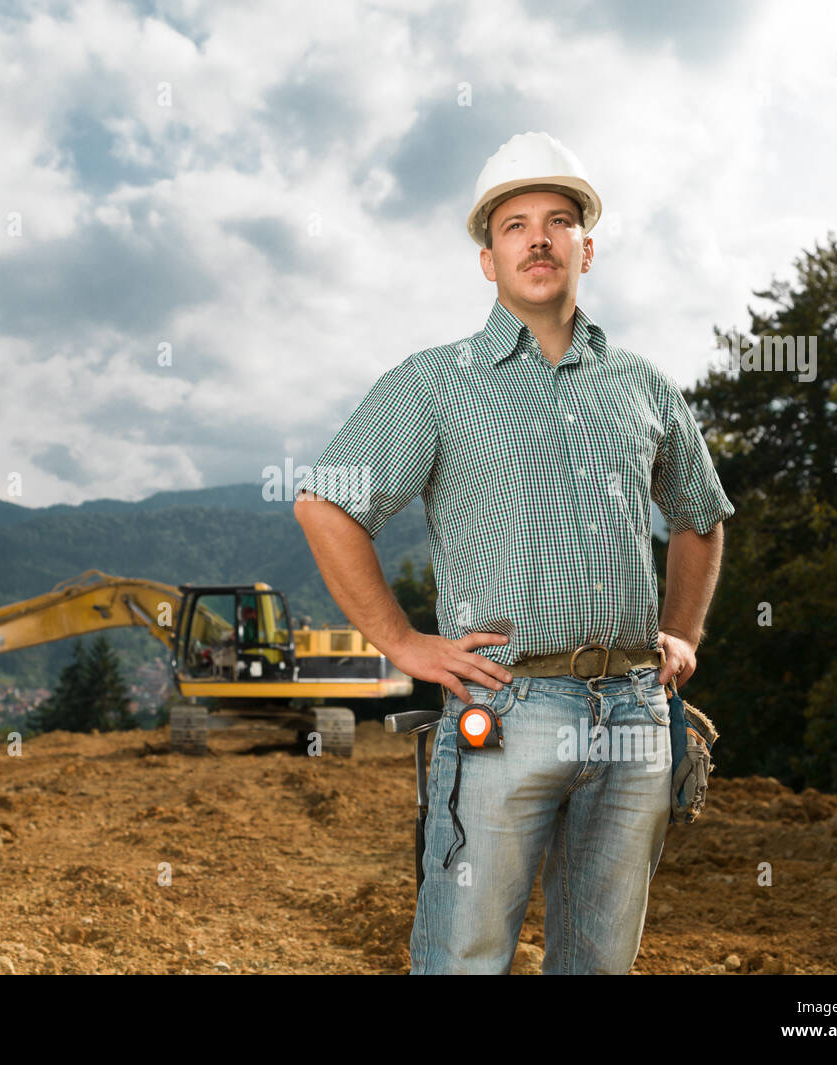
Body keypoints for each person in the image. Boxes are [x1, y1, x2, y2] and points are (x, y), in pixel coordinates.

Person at [294, 131, 734, 974]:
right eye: (515, 225)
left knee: (599, 961)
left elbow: (701, 515)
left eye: (559, 221)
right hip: (508, 709)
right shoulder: (434, 382)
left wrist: (682, 631)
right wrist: (403, 641)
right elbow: (324, 504)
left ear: (586, 248)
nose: (539, 238)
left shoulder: (642, 385)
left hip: (638, 715)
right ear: (488, 260)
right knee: (468, 956)